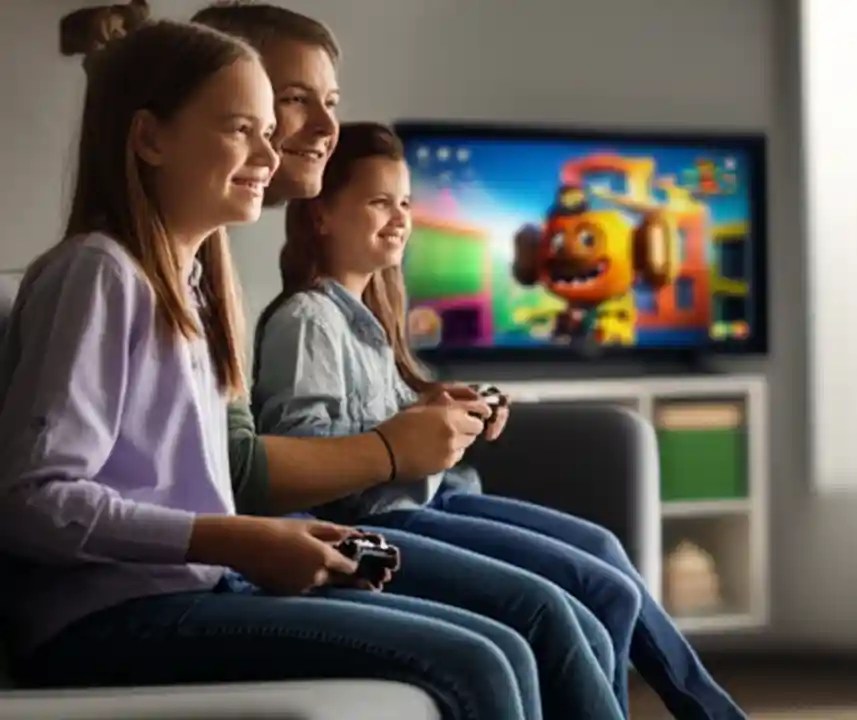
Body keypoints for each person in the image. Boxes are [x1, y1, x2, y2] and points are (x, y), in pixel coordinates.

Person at [0, 21, 536, 720]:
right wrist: (234, 538)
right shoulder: (100, 273)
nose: (267, 153)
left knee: (505, 646)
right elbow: (33, 501)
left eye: (266, 131)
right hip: (106, 619)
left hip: (189, 588)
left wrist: (269, 541)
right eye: (239, 130)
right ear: (150, 138)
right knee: (477, 662)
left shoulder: (192, 286)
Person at [185, 6, 625, 719]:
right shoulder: (270, 308)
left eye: (329, 103)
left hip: (333, 527)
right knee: (541, 618)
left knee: (593, 577)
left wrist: (423, 419)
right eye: (290, 101)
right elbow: (246, 470)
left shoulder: (214, 275)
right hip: (340, 531)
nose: (322, 128)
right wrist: (394, 449)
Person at [252, 121, 748, 720]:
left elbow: (374, 422)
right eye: (379, 202)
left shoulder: (367, 314)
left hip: (429, 499)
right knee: (582, 600)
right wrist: (402, 443)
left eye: (405, 202)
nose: (401, 217)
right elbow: (299, 454)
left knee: (605, 561)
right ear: (321, 216)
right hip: (383, 520)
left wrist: (436, 406)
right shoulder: (307, 320)